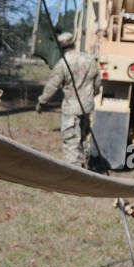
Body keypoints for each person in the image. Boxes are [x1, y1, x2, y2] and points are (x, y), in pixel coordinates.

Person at [36, 32, 101, 167]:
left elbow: (52, 85)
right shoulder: (90, 60)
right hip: (87, 106)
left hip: (71, 107)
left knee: (71, 140)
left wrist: (42, 101)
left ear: (60, 47)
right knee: (83, 136)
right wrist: (91, 95)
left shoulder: (63, 64)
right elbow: (97, 83)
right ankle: (86, 164)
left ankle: (74, 171)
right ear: (73, 43)